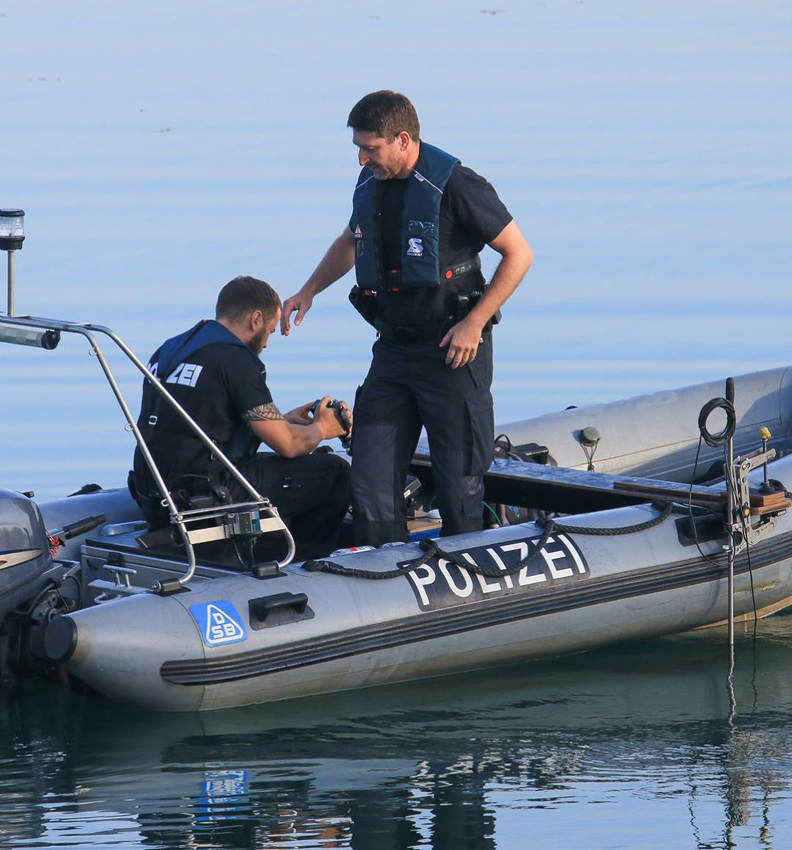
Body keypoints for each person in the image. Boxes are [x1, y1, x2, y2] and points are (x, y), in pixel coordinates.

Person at [280, 90, 533, 545]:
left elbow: (519, 253)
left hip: (452, 352)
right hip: (393, 353)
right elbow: (353, 239)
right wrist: (308, 290)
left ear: (402, 139)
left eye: (370, 148)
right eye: (358, 148)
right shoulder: (372, 182)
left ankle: (468, 563)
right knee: (370, 478)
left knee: (458, 485)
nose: (362, 159)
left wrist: (474, 322)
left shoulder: (458, 185)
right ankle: (383, 569)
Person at [128, 276, 352, 560]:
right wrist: (322, 427)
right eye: (270, 331)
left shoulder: (171, 350)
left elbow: (200, 424)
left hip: (155, 491)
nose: (267, 343)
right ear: (256, 319)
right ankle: (302, 563)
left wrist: (283, 421)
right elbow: (289, 445)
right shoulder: (236, 359)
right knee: (334, 473)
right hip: (203, 496)